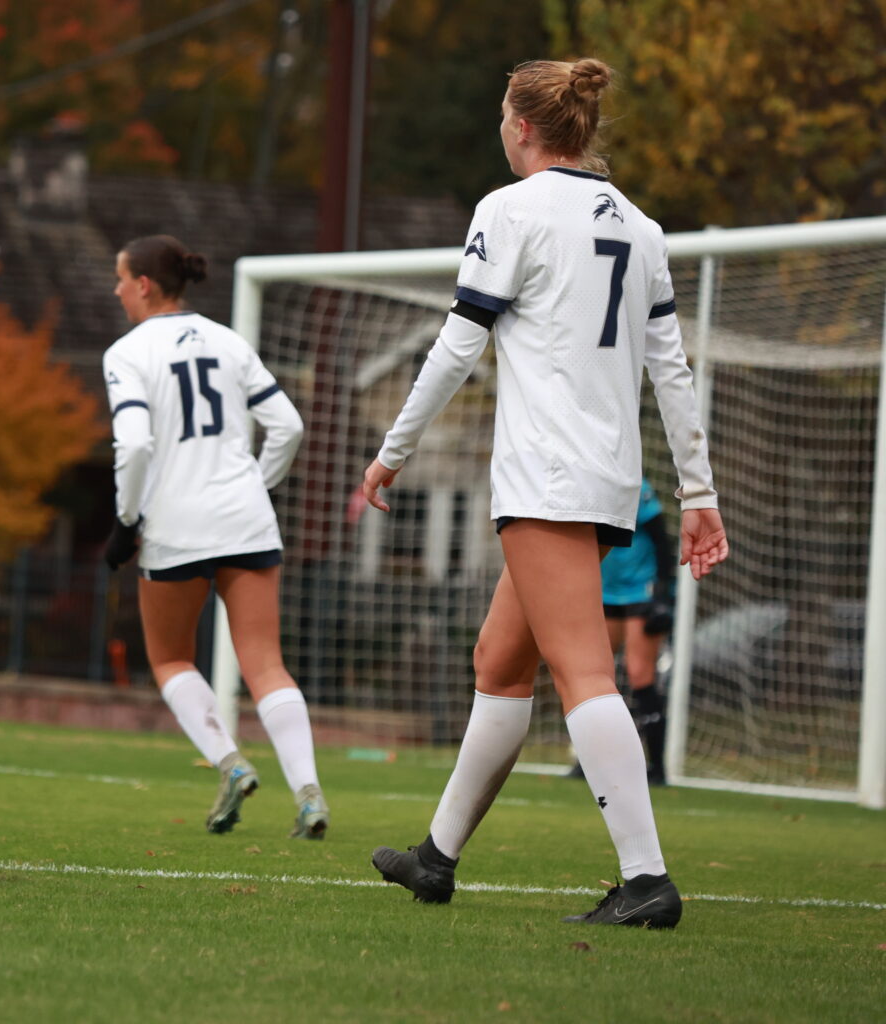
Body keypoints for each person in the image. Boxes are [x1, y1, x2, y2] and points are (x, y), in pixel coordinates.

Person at [360, 58, 728, 929]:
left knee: (583, 674)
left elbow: (456, 348)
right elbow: (671, 370)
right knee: (499, 662)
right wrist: (698, 490)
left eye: (501, 113)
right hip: (605, 477)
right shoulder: (642, 227)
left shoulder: (509, 209)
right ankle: (435, 860)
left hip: (547, 477)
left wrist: (390, 452)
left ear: (523, 127)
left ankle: (647, 881)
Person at [102, 235, 327, 838]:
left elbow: (137, 444)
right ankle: (309, 794)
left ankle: (230, 764)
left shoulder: (127, 353)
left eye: (121, 278)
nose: (117, 289)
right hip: (246, 517)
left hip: (175, 524)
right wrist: (257, 483)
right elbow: (288, 426)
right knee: (266, 664)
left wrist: (126, 522)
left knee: (171, 656)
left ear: (144, 284)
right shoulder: (229, 341)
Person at [596, 477, 677, 784]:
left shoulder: (636, 489)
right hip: (603, 593)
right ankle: (589, 761)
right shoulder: (584, 484)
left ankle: (656, 766)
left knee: (640, 676)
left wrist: (662, 595)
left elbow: (661, 542)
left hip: (639, 594)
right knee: (594, 675)